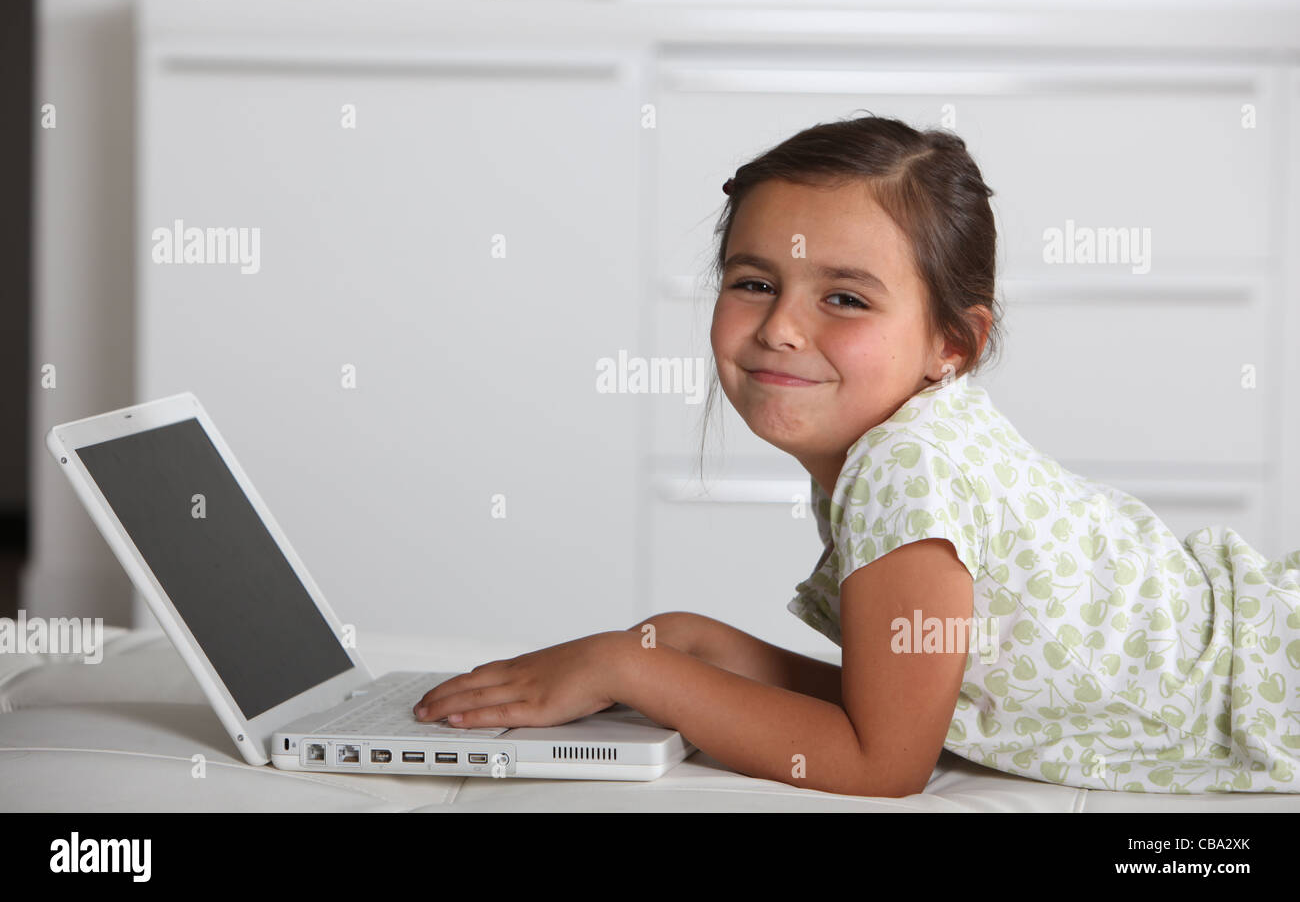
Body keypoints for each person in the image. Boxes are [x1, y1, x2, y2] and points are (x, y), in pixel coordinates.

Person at [414, 113, 1300, 797]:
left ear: (952, 341)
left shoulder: (905, 472)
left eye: (844, 297)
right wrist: (696, 649)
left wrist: (630, 666)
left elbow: (883, 762)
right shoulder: (913, 439)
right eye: (753, 282)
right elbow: (907, 700)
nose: (781, 328)